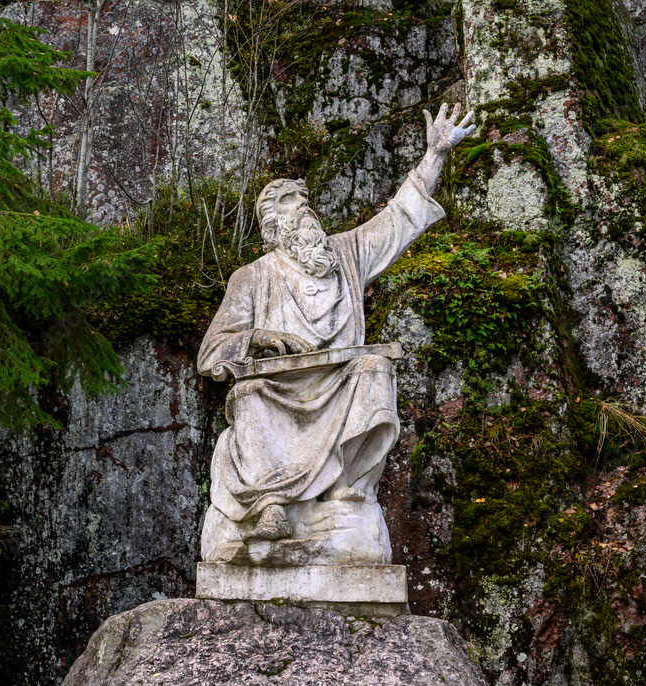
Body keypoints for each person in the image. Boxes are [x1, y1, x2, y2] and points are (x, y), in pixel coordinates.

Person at [197, 103, 476, 557]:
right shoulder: (252, 277)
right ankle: (269, 505)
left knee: (374, 368)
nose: (304, 207)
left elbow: (399, 220)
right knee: (248, 396)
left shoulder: (347, 253)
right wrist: (258, 338)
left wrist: (435, 156)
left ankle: (349, 489)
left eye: (304, 200)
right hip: (279, 390)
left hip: (339, 383)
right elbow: (212, 354)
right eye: (290, 202)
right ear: (271, 226)